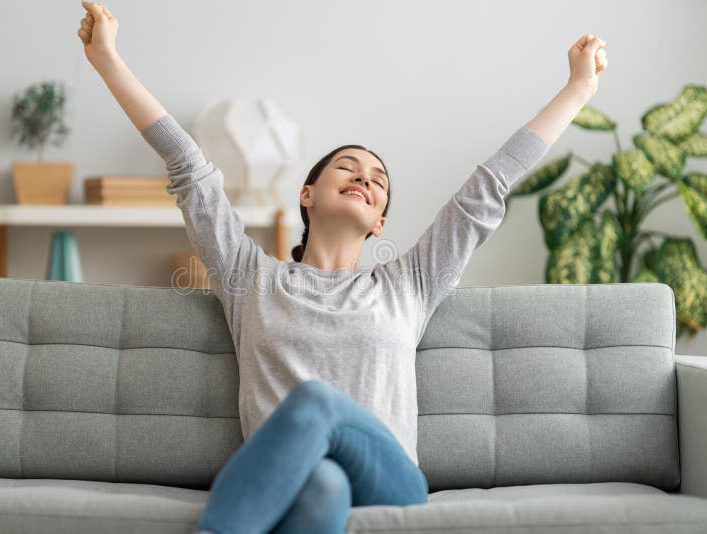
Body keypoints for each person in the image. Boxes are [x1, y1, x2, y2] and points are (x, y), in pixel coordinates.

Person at [77, 3, 608, 532]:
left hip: (391, 479)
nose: (366, 178)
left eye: (378, 181)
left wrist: (578, 90)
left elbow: (488, 187)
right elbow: (190, 170)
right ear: (307, 194)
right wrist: (107, 60)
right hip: (300, 478)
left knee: (316, 404)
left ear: (379, 222)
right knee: (323, 485)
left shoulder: (409, 283)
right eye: (347, 167)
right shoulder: (250, 280)